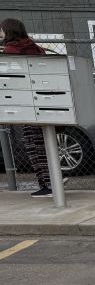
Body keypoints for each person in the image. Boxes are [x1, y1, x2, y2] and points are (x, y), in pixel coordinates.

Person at [1, 18, 52, 198]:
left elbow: (8, 75)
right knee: (44, 144)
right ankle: (50, 181)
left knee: (32, 145)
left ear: (8, 31)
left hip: (24, 100)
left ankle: (46, 185)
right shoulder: (34, 47)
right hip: (41, 99)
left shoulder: (10, 50)